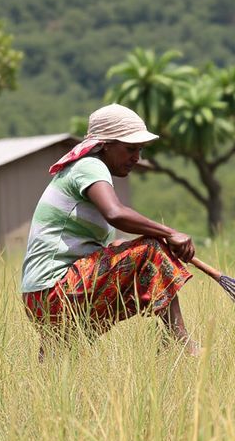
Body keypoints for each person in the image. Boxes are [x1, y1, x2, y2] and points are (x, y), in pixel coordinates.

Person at [20, 103, 200, 357]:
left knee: (59, 364)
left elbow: (91, 247)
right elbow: (116, 213)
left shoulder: (82, 172)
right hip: (55, 292)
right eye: (129, 149)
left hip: (39, 299)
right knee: (151, 250)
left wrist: (118, 248)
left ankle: (36, 387)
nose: (136, 157)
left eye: (139, 150)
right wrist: (169, 233)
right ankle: (180, 343)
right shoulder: (89, 166)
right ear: (105, 144)